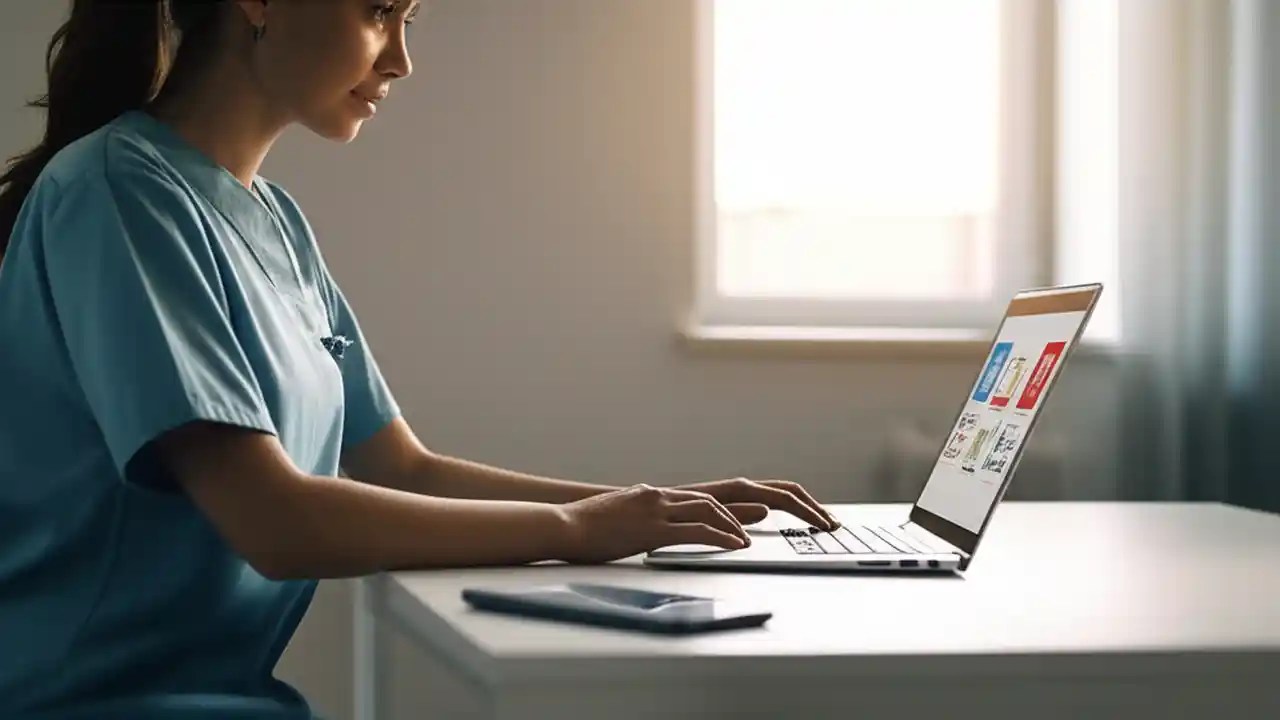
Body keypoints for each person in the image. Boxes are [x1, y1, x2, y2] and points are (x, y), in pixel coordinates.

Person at [0, 1, 840, 718]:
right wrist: (575, 531)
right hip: (85, 700)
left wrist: (642, 508)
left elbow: (403, 467)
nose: (400, 58)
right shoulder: (117, 192)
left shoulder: (275, 221)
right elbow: (275, 522)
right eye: (377, 11)